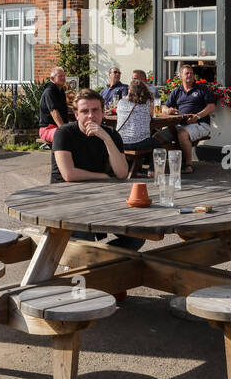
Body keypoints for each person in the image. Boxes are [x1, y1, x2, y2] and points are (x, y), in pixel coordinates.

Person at [51, 89, 140, 252]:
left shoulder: (112, 134)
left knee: (138, 232)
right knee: (86, 239)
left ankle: (105, 259)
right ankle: (92, 259)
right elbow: (69, 174)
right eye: (85, 111)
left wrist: (105, 138)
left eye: (95, 110)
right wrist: (102, 176)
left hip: (101, 200)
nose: (91, 116)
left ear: (103, 112)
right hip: (67, 201)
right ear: (76, 114)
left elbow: (121, 173)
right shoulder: (64, 133)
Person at [167, 63, 216, 173]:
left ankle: (188, 165)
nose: (189, 75)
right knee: (158, 137)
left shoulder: (201, 88)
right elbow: (165, 107)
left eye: (191, 73)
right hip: (181, 124)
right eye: (187, 73)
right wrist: (168, 110)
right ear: (181, 76)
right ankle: (152, 166)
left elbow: (212, 106)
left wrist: (197, 116)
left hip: (200, 124)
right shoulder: (176, 91)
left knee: (182, 135)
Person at [114, 80, 159, 176]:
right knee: (156, 143)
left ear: (130, 90)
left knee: (139, 138)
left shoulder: (121, 102)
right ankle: (152, 170)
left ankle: (135, 169)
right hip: (139, 143)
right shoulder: (146, 103)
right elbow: (152, 115)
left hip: (121, 143)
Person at [37, 67, 71, 145]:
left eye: (64, 76)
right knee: (64, 136)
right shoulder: (49, 91)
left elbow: (64, 108)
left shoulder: (61, 91)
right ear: (52, 78)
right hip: (47, 129)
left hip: (57, 127)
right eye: (60, 76)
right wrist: (63, 129)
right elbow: (54, 112)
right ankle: (58, 157)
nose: (63, 78)